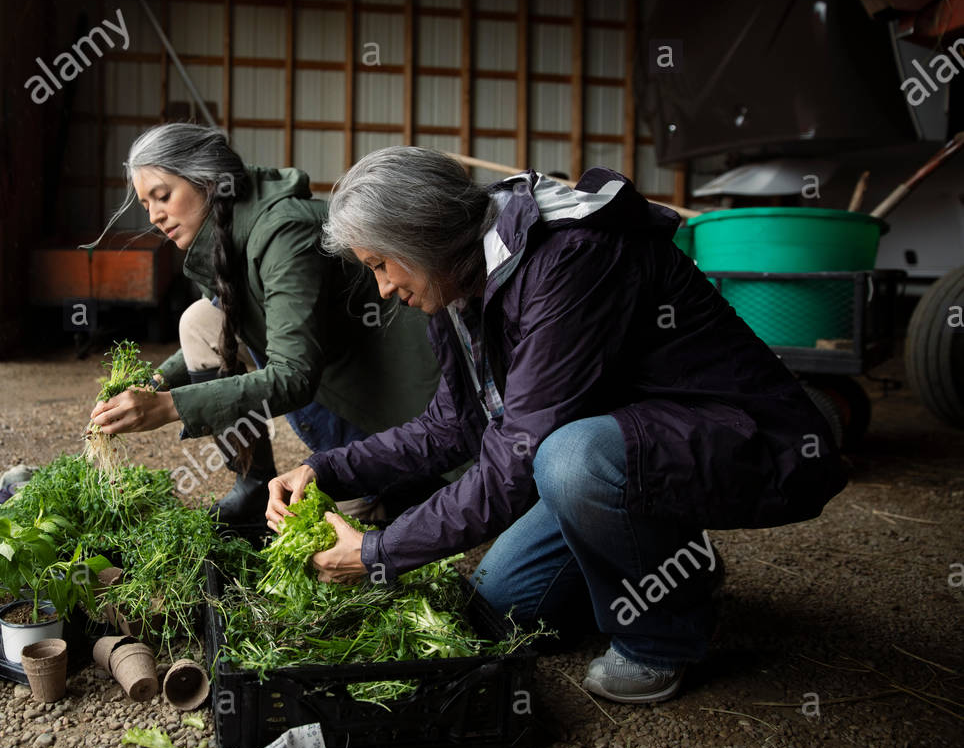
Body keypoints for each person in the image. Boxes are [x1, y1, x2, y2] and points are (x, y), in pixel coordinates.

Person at [266, 147, 848, 703]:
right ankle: (674, 558)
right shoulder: (457, 283)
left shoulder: (571, 256)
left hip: (754, 438)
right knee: (503, 609)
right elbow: (453, 426)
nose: (384, 287)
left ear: (419, 235)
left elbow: (517, 461)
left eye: (379, 264)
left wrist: (377, 554)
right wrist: (325, 469)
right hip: (641, 447)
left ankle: (659, 642)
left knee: (568, 460)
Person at [87, 123, 441, 524]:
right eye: (146, 204)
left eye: (163, 196)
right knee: (201, 320)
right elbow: (224, 314)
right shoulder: (227, 224)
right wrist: (157, 382)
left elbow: (294, 376)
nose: (155, 216)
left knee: (346, 534)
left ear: (205, 179)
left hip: (375, 400)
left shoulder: (283, 233)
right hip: (334, 376)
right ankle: (252, 484)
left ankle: (405, 487)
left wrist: (170, 407)